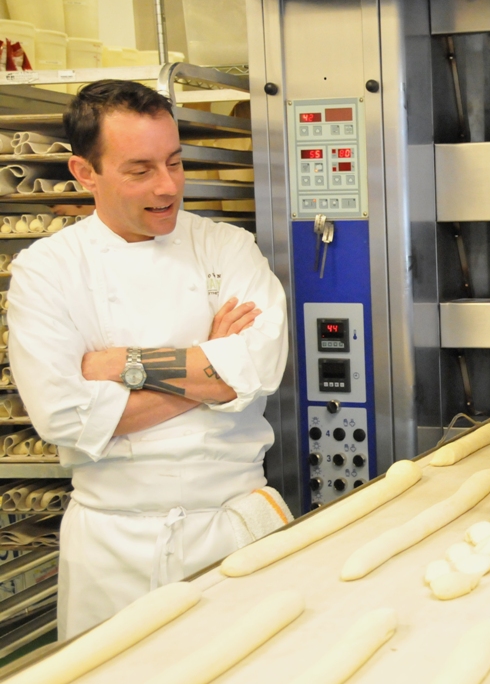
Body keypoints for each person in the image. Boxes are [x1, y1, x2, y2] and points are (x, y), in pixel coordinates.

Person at [7, 80, 290, 639]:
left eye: (175, 162)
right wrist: (209, 373)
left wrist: (120, 365)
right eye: (140, 170)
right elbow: (62, 416)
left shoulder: (226, 247)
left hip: (230, 530)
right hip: (112, 550)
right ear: (85, 172)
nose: (167, 188)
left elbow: (258, 370)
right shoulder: (47, 271)